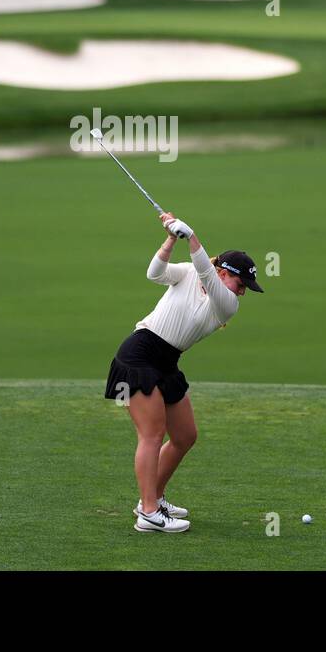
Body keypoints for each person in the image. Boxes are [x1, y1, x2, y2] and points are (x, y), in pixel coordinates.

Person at [103, 211, 263, 533]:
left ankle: (153, 498)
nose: (243, 290)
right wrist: (171, 240)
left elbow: (206, 273)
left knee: (185, 435)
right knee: (152, 433)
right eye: (240, 282)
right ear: (223, 271)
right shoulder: (192, 272)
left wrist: (191, 236)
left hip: (168, 361)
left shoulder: (226, 302)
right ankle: (149, 513)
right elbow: (155, 273)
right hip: (140, 353)